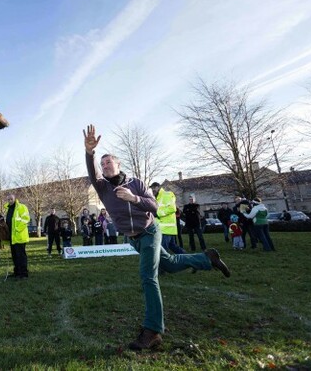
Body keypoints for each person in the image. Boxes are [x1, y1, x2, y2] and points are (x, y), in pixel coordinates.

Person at [83, 124, 230, 351]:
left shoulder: (137, 184)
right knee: (169, 264)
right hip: (134, 239)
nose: (104, 166)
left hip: (150, 231)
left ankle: (153, 331)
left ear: (118, 164)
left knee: (148, 277)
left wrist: (134, 199)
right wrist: (90, 152)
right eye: (102, 164)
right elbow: (91, 171)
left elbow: (154, 206)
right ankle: (206, 259)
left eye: (108, 162)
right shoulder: (102, 187)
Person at [150, 182, 185, 254]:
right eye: (151, 188)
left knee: (163, 251)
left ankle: (163, 264)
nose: (153, 190)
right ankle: (189, 258)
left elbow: (172, 208)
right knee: (173, 246)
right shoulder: (156, 198)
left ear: (158, 187)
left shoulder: (167, 194)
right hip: (163, 229)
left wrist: (157, 213)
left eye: (154, 188)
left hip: (166, 229)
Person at [4, 193, 30, 279]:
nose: (10, 201)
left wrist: (17, 229)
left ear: (15, 199)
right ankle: (17, 272)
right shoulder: (8, 209)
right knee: (14, 255)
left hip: (20, 236)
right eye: (8, 199)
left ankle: (23, 274)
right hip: (12, 236)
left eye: (11, 199)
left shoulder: (22, 207)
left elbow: (26, 219)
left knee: (21, 256)